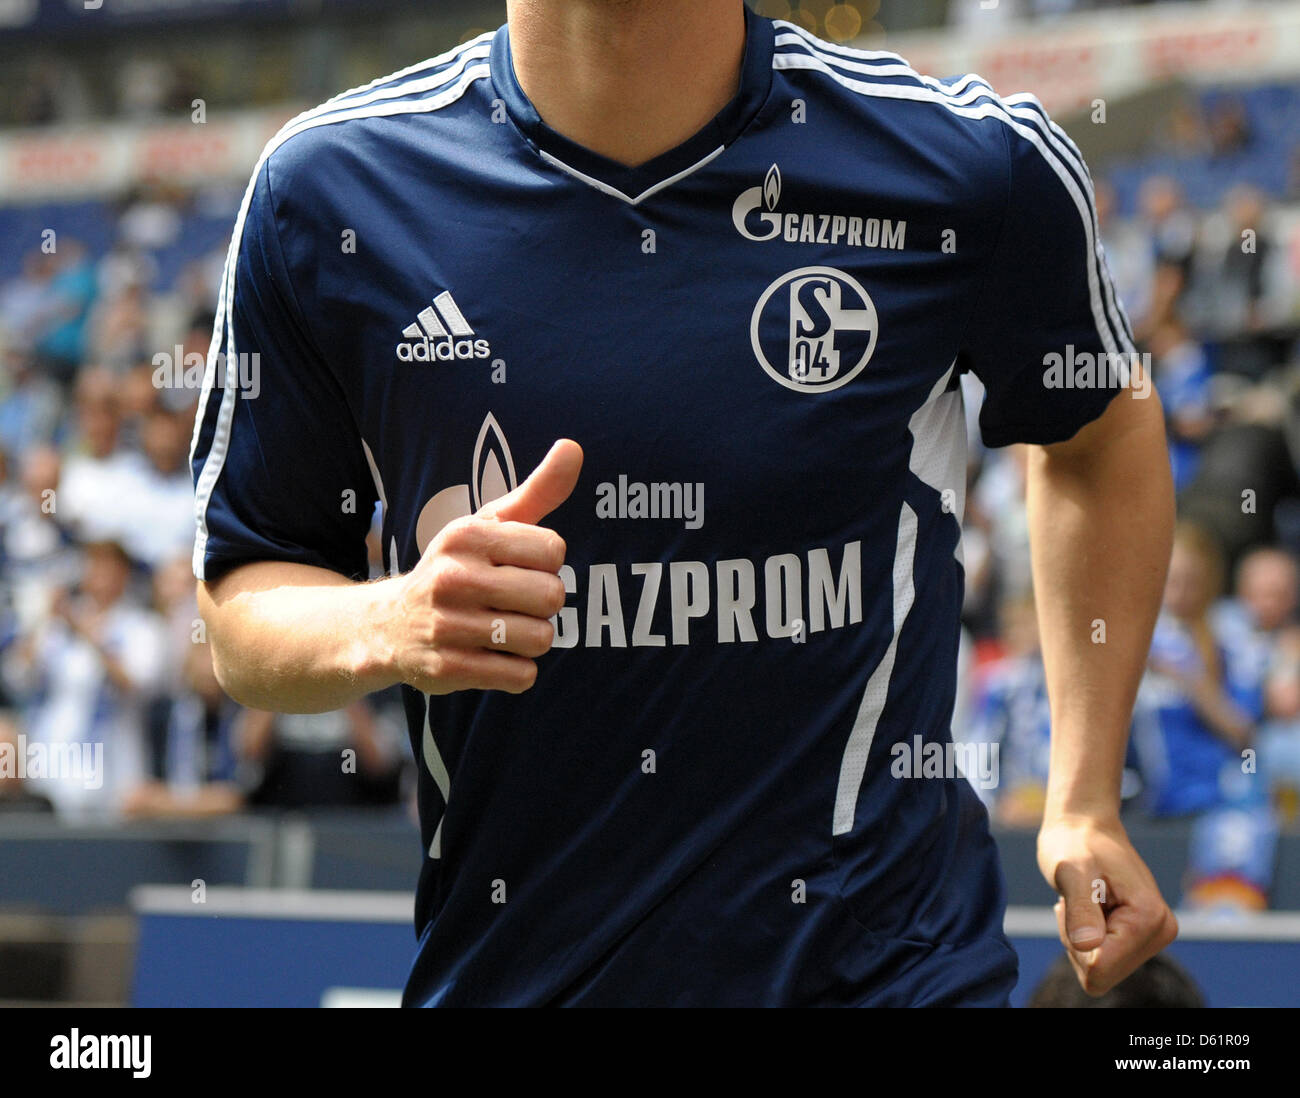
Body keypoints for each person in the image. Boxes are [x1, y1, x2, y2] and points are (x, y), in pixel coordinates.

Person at [194, 0, 1177, 1005]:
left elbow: (1099, 432)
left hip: (892, 974)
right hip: (524, 975)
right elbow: (242, 610)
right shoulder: (327, 195)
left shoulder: (967, 164)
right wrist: (387, 619)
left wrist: (1083, 793)